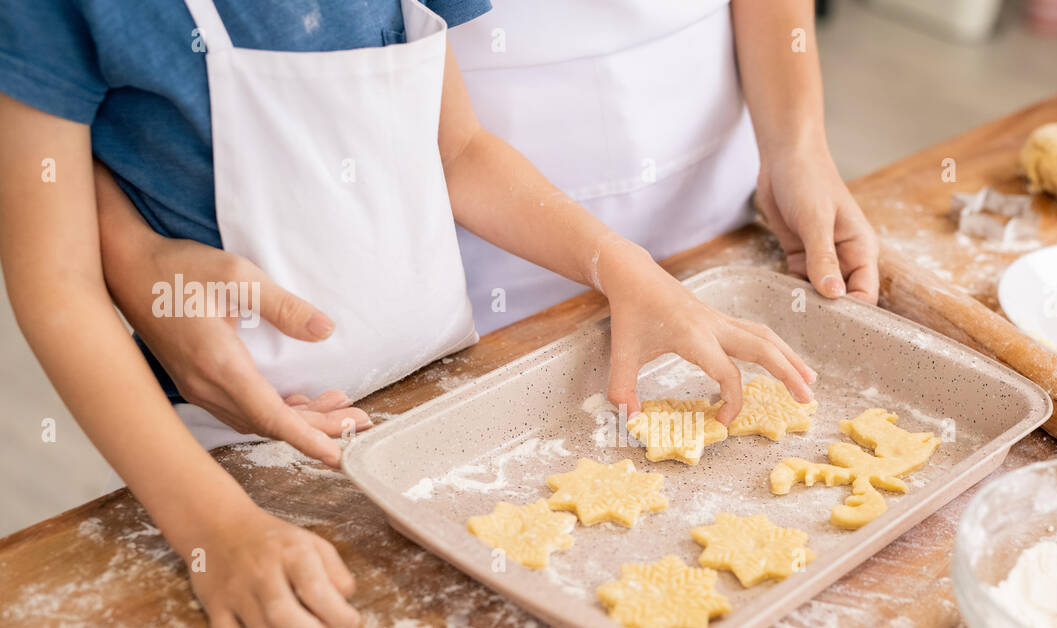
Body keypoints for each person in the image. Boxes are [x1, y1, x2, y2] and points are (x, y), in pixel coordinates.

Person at [0, 0, 813, 628]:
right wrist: (215, 528)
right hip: (244, 450)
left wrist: (622, 268)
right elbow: (56, 284)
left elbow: (459, 151)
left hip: (439, 404)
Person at [89, 0, 879, 465]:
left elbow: (461, 148)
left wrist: (796, 142)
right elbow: (47, 165)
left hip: (696, 236)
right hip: (448, 288)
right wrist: (132, 259)